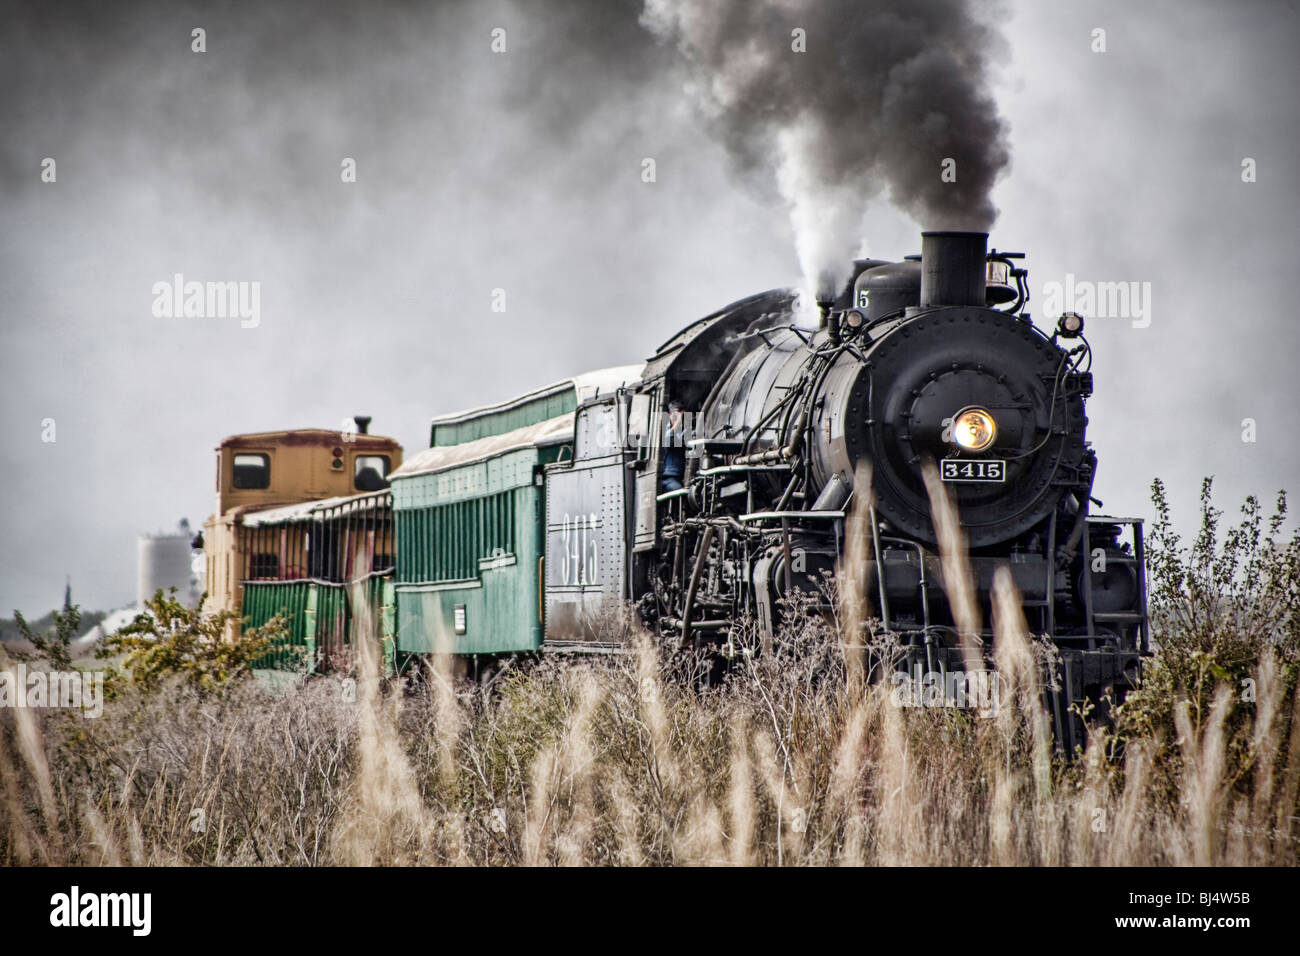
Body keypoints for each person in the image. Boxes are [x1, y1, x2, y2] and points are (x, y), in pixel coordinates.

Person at [660, 399, 687, 492]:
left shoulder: (688, 430)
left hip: (687, 476)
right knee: (678, 491)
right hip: (670, 478)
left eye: (680, 413)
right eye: (674, 413)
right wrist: (677, 423)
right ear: (670, 414)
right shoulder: (665, 431)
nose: (677, 416)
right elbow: (669, 441)